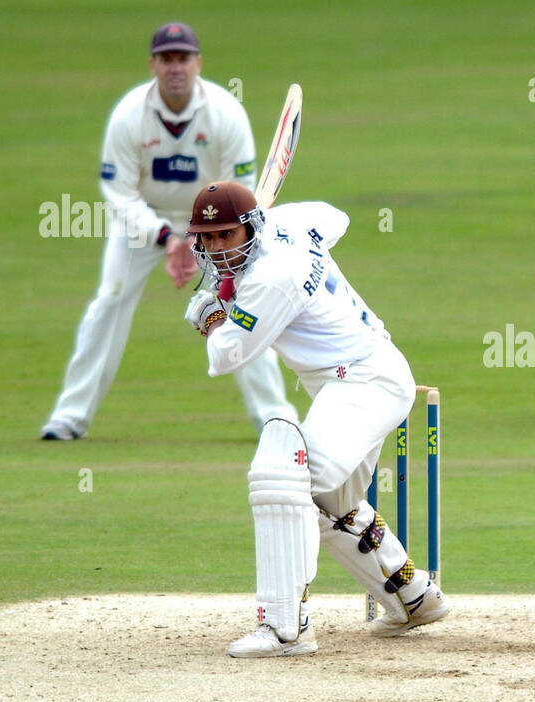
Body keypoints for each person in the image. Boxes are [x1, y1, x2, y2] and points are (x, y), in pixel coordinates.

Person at [183, 181, 450, 656]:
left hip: (361, 383)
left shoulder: (270, 280)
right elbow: (335, 216)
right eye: (208, 238)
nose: (215, 248)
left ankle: (285, 627)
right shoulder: (295, 222)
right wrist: (271, 225)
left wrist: (212, 318)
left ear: (250, 229)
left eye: (227, 236)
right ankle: (413, 595)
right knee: (331, 501)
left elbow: (226, 356)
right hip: (359, 379)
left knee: (283, 477)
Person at [41, 21, 296, 441]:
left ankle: (275, 416)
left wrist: (201, 235)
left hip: (217, 221)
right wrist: (168, 239)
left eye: (183, 58)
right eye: (166, 59)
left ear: (197, 63)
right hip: (143, 219)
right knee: (110, 298)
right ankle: (69, 417)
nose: (175, 67)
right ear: (153, 65)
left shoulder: (226, 113)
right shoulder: (128, 115)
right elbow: (118, 193)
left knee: (245, 306)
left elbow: (242, 191)